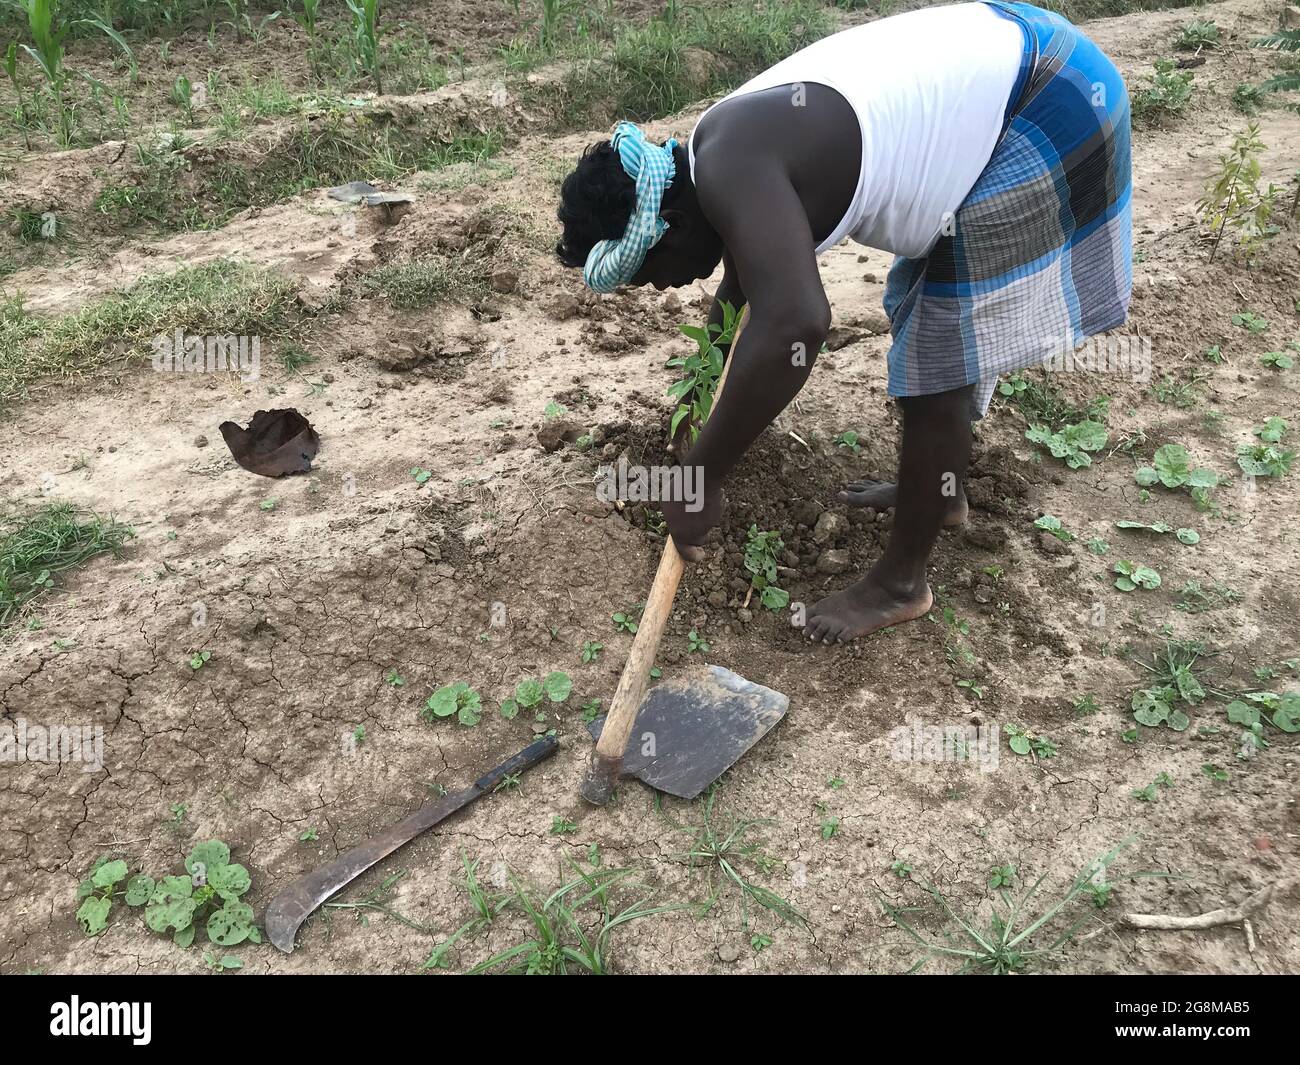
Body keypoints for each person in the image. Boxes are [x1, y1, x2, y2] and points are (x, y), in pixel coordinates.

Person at [555, 2, 1132, 643]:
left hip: (1043, 101)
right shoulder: (717, 150)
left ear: (672, 227)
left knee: (935, 362)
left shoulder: (731, 173)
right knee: (927, 317)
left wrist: (700, 476)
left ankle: (900, 584)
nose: (662, 286)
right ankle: (936, 492)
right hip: (1022, 56)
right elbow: (745, 288)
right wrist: (702, 395)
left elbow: (798, 323)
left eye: (649, 272)